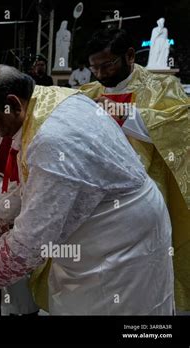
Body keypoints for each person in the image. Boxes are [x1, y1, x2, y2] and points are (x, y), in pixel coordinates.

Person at [0, 65, 174, 315]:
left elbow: (31, 241)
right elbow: (28, 187)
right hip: (111, 216)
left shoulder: (51, 140)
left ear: (13, 103)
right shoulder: (47, 99)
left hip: (119, 234)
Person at [80, 28, 190, 312]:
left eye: (107, 65)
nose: (101, 74)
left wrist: (123, 112)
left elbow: (179, 128)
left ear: (129, 55)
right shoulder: (89, 92)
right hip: (99, 193)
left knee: (146, 265)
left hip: (148, 191)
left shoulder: (162, 87)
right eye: (94, 67)